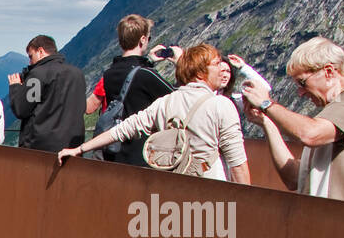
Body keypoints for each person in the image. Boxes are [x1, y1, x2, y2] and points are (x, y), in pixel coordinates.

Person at [57, 44, 250, 184]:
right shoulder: (221, 105)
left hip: (171, 190)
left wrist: (80, 149)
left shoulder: (166, 103)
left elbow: (122, 130)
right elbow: (238, 165)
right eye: (217, 65)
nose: (223, 69)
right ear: (200, 73)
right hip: (211, 192)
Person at [242, 36, 344, 207]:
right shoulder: (331, 120)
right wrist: (266, 123)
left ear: (329, 72)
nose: (300, 92)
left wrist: (267, 104)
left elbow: (309, 134)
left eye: (302, 82)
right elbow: (293, 178)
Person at [91, 14, 179, 166]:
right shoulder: (146, 75)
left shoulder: (110, 73)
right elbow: (179, 97)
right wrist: (180, 65)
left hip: (114, 150)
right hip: (141, 153)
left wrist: (148, 62)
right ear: (143, 40)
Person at [8, 35, 86, 152]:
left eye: (31, 56)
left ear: (40, 51)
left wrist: (15, 87)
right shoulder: (77, 74)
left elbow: (22, 109)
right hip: (72, 146)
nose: (30, 62)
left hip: (40, 147)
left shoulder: (37, 75)